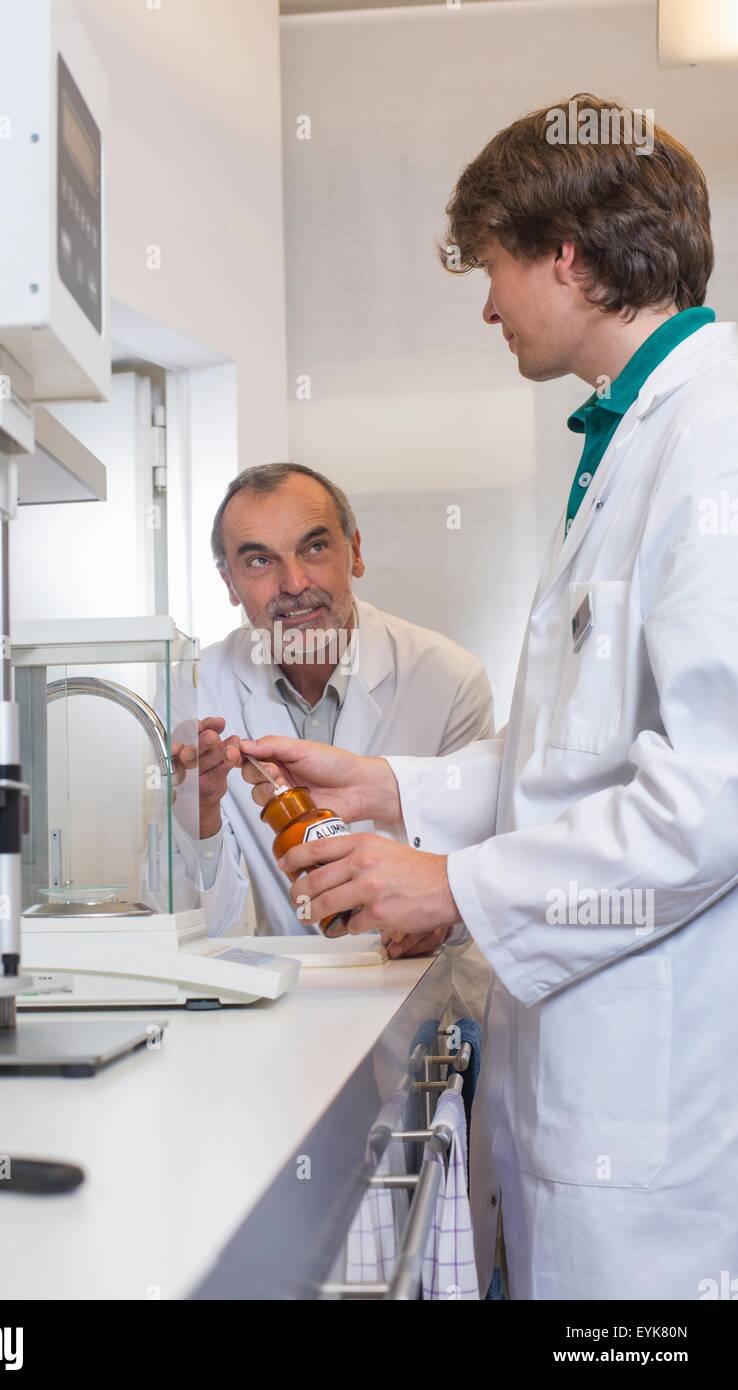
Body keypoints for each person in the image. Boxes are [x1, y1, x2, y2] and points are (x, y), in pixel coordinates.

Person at [233, 95, 738, 1300]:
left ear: (563, 253)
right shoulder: (631, 440)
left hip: (651, 1089)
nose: (484, 301)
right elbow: (586, 748)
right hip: (583, 1056)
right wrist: (394, 785)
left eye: (494, 264)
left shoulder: (711, 441)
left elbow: (710, 796)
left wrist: (451, 880)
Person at [166, 463, 494, 989]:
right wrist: (200, 811)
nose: (294, 584)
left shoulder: (449, 679)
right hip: (274, 998)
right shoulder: (196, 690)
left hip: (410, 995)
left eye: (314, 548)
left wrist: (439, 923)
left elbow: (480, 879)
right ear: (229, 583)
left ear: (355, 551)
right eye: (259, 561)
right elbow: (203, 925)